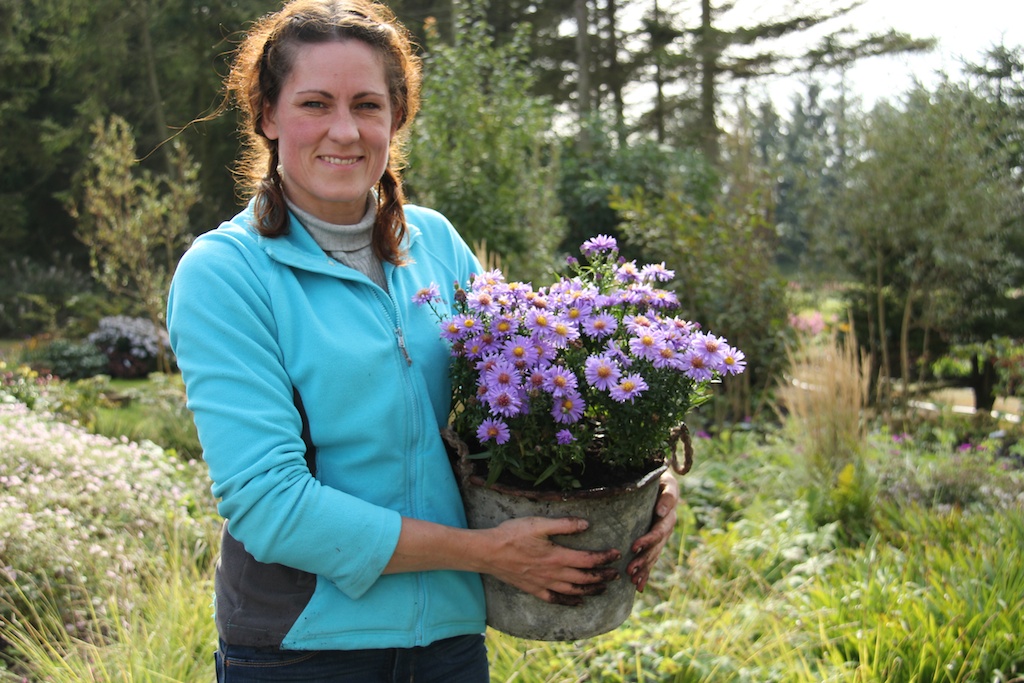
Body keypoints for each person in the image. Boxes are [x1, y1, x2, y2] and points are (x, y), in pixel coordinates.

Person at [166, 1, 680, 680]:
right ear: (267, 114)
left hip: (448, 643)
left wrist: (642, 480)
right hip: (303, 650)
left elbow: (526, 396)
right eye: (315, 103)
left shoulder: (433, 244)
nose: (344, 131)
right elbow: (271, 506)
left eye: (368, 105)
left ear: (397, 116)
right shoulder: (228, 274)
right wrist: (482, 551)